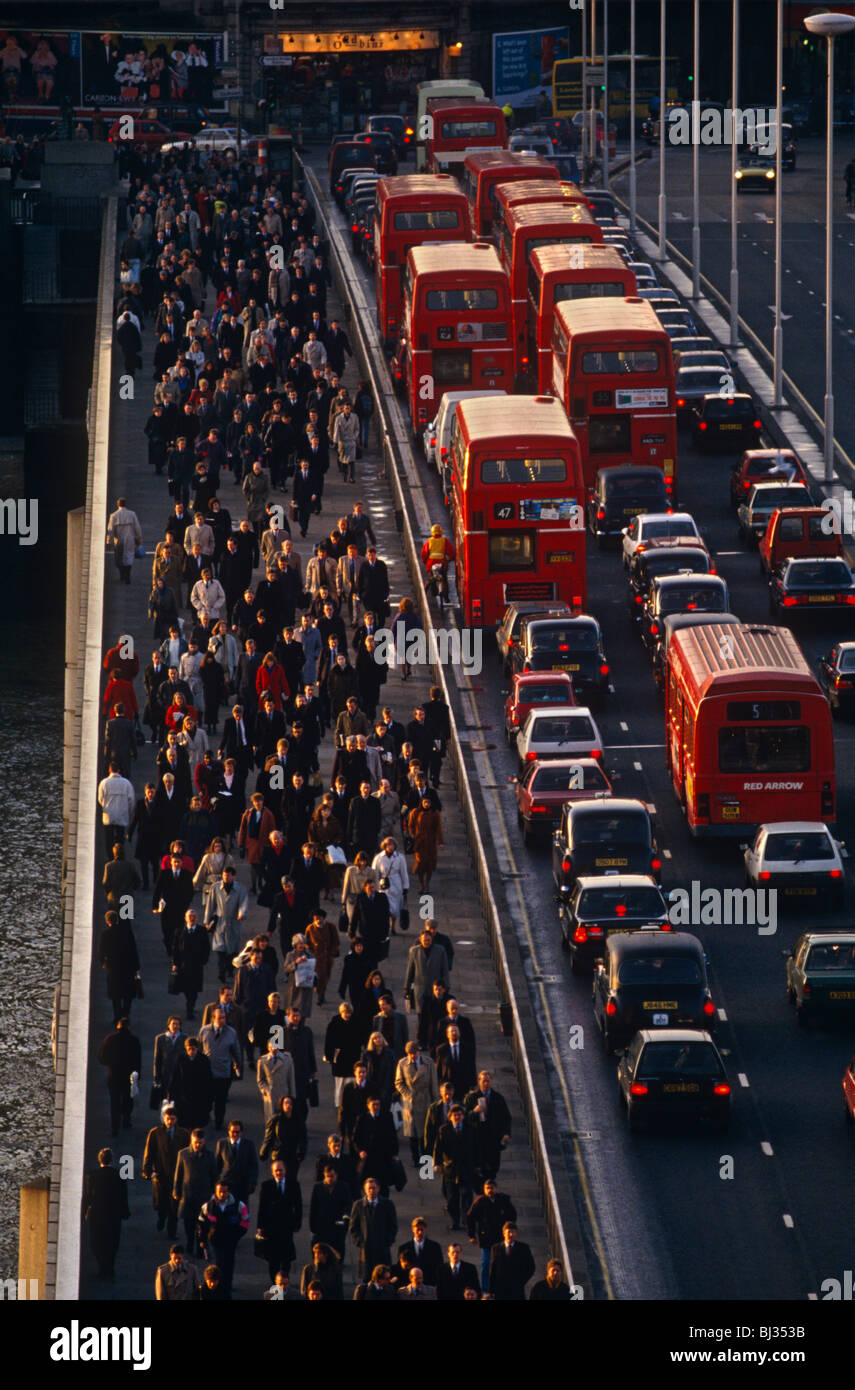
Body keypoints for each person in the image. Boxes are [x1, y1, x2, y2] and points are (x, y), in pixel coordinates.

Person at [142, 1104, 189, 1237]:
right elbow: (149, 1153)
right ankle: (161, 1218)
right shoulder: (155, 1133)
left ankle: (171, 1232)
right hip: (161, 1175)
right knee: (162, 1204)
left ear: (176, 1119)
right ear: (164, 1119)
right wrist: (148, 1170)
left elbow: (187, 1154)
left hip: (176, 1175)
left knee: (174, 1206)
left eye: (173, 1119)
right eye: (168, 1119)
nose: (170, 1122)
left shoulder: (184, 1134)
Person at [197, 1180, 249, 1298]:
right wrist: (202, 1239)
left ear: (228, 1192)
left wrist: (237, 1235)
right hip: (215, 1240)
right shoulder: (208, 1206)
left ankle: (227, 1288)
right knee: (218, 1263)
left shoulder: (238, 1205)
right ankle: (217, 1287)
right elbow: (201, 1223)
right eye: (219, 1191)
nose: (222, 1194)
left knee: (229, 1263)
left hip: (231, 1240)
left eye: (224, 1192)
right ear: (216, 1191)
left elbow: (245, 1220)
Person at [83, 1148, 129, 1280]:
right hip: (114, 1215)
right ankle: (110, 1266)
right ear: (112, 1160)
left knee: (97, 1241)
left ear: (99, 1160)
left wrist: (84, 1212)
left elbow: (88, 1197)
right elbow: (123, 1196)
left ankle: (102, 1267)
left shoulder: (92, 1176)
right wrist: (125, 1212)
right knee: (113, 1242)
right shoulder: (119, 1176)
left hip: (97, 1215)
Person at [256, 1159, 303, 1280]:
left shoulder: (293, 1185)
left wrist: (297, 1223)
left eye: (281, 1170)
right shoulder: (266, 1186)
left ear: (285, 1171)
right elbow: (262, 1207)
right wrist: (260, 1226)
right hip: (271, 1228)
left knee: (286, 1257)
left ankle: (284, 1281)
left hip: (287, 1227)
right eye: (276, 1171)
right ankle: (275, 1284)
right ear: (272, 1172)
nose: (279, 1173)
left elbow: (298, 1206)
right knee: (273, 1259)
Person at [173, 1129, 217, 1257]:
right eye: (195, 1142)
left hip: (204, 1196)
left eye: (200, 1142)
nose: (198, 1145)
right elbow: (178, 1174)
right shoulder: (183, 1154)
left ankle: (200, 1247)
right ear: (191, 1141)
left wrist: (215, 1193)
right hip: (188, 1195)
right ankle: (190, 1242)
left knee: (203, 1224)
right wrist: (176, 1190)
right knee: (188, 1223)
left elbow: (214, 1175)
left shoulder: (209, 1155)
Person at [433, 1102, 476, 1231]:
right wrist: (437, 1163)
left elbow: (477, 1147)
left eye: (460, 1115)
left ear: (463, 1116)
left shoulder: (470, 1129)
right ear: (450, 1117)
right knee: (451, 1197)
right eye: (455, 1115)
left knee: (467, 1195)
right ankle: (455, 1221)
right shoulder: (444, 1130)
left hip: (466, 1168)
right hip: (450, 1168)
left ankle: (466, 1220)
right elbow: (438, 1148)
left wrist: (478, 1164)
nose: (457, 1117)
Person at [395, 1040, 438, 1167]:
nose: (412, 1056)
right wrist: (408, 1095)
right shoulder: (402, 1064)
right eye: (410, 1054)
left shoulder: (428, 1063)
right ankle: (416, 1160)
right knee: (413, 1136)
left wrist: (435, 1099)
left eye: (414, 1053)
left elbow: (433, 1082)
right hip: (410, 1104)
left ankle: (426, 1164)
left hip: (425, 1101)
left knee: (425, 1134)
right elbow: (398, 1082)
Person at [198, 1005, 243, 1128]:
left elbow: (236, 1051)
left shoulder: (231, 1032)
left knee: (221, 1100)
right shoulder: (204, 1031)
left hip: (224, 1072)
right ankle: (205, 1117)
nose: (222, 1020)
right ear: (213, 1019)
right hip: (208, 1072)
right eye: (220, 1018)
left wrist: (238, 1065)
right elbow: (199, 1049)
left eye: (224, 1018)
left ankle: (219, 1121)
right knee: (206, 1099)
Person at [464, 1069, 512, 1181]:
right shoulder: (471, 1098)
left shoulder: (498, 1098)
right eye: (484, 1081)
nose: (486, 1083)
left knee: (492, 1169)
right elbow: (465, 1118)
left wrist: (506, 1133)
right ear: (479, 1082)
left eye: (488, 1081)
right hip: (477, 1139)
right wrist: (474, 1111)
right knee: (479, 1169)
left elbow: (506, 1117)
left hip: (493, 1139)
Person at [97, 1016, 141, 1137]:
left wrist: (110, 1063)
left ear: (118, 1027)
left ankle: (114, 1127)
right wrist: (138, 1078)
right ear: (129, 1027)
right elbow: (138, 1061)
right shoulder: (134, 1041)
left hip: (114, 1075)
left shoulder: (110, 1039)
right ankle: (126, 1120)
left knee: (114, 1101)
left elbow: (101, 1057)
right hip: (129, 1076)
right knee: (128, 1099)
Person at [348, 1176, 398, 1282]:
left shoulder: (387, 1204)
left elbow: (393, 1226)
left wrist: (388, 1241)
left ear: (378, 1188)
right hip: (366, 1250)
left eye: (374, 1188)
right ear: (365, 1189)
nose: (371, 1191)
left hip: (382, 1249)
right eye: (369, 1188)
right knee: (367, 1280)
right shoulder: (358, 1205)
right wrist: (360, 1242)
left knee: (384, 1278)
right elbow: (353, 1227)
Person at [97, 908, 141, 1024]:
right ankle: (125, 1013)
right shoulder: (127, 932)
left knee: (115, 994)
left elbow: (101, 952)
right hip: (128, 967)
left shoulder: (105, 935)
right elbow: (133, 950)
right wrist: (136, 968)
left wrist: (104, 963)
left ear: (108, 921)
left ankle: (117, 1015)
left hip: (113, 968)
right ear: (117, 920)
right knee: (128, 992)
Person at [489, 1221, 536, 1301]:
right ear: (504, 1233)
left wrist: (521, 1281)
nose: (511, 1235)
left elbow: (531, 1267)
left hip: (516, 1288)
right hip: (501, 1289)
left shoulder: (523, 1248)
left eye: (513, 1232)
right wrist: (491, 1289)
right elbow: (493, 1269)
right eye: (509, 1232)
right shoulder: (496, 1248)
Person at [98, 762, 136, 855]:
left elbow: (100, 799)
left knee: (109, 838)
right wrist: (129, 813)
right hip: (122, 814)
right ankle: (119, 853)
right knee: (120, 837)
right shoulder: (126, 783)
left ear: (109, 770)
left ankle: (110, 856)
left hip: (108, 815)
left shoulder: (104, 783)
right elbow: (131, 801)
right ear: (119, 770)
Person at [408, 794, 444, 892]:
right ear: (422, 803)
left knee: (429, 865)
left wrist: (440, 841)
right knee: (420, 864)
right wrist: (413, 835)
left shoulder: (435, 813)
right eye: (425, 802)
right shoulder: (415, 812)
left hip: (430, 842)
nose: (426, 804)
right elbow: (410, 825)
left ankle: (427, 884)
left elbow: (438, 828)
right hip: (420, 843)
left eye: (428, 802)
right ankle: (421, 884)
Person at [256, 1036, 296, 1122]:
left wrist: (292, 1095)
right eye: (271, 1046)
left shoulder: (287, 1059)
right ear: (268, 1047)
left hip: (284, 1093)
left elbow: (291, 1078)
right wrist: (266, 1090)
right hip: (270, 1094)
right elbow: (260, 1080)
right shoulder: (263, 1061)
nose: (273, 1048)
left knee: (284, 1118)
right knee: (271, 1119)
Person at [396, 1215, 443, 1287]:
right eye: (418, 1230)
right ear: (413, 1229)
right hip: (409, 1285)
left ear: (425, 1229)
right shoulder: (404, 1248)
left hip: (429, 1284)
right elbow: (400, 1268)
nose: (420, 1232)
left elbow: (439, 1267)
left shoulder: (435, 1247)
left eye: (422, 1229)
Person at [107, 497, 143, 585]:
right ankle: (127, 573)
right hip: (130, 538)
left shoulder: (114, 516)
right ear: (125, 504)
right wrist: (139, 538)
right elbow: (137, 527)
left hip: (118, 540)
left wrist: (109, 542)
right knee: (129, 556)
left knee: (119, 558)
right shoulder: (132, 514)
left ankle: (122, 573)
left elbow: (110, 530)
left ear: (118, 504)